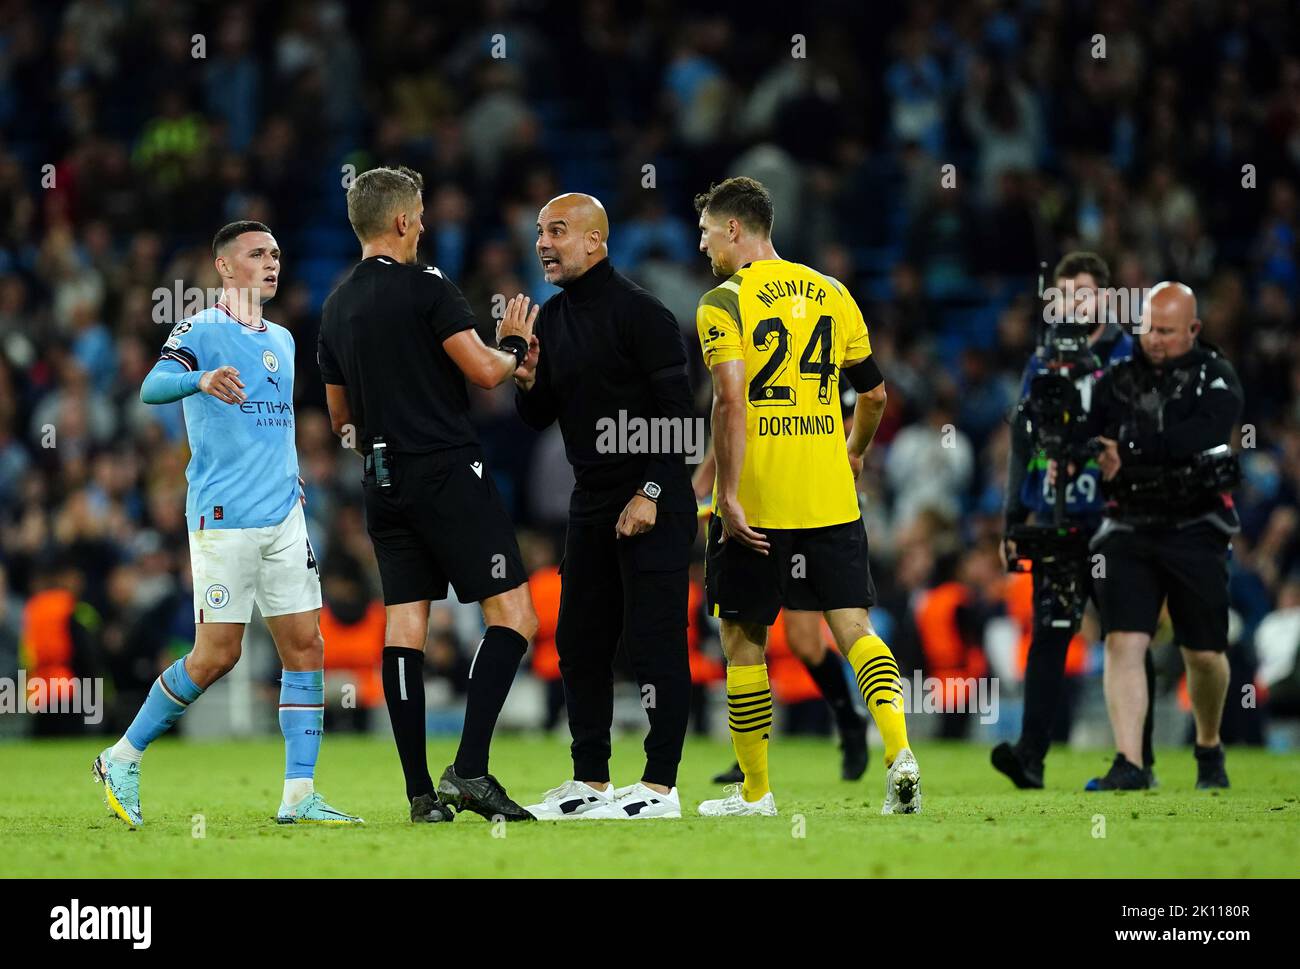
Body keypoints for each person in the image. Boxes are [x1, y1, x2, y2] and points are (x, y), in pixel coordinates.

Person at [93, 221, 363, 827]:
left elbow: (278, 420)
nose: (271, 263)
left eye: (275, 253)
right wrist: (200, 378)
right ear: (224, 266)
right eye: (256, 254)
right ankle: (122, 755)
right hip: (223, 518)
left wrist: (292, 475)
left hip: (284, 517)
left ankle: (299, 796)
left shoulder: (286, 340)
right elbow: (150, 386)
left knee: (306, 647)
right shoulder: (200, 328)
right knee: (217, 655)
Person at [691, 175, 921, 816]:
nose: (704, 243)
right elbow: (875, 394)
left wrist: (726, 492)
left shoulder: (723, 301)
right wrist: (854, 451)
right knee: (854, 629)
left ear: (735, 228)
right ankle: (900, 752)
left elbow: (730, 400)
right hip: (830, 498)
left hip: (758, 504)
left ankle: (757, 793)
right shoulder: (832, 292)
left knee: (744, 638)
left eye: (708, 230)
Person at [318, 166, 540, 823]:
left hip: (381, 482)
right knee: (515, 617)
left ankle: (420, 794)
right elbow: (484, 373)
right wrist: (515, 345)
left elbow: (340, 421)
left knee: (405, 626)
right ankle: (469, 767)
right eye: (420, 214)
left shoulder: (335, 306)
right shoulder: (427, 287)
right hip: (446, 470)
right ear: (403, 221)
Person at [515, 193, 696, 820]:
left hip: (654, 496)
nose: (543, 242)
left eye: (557, 231)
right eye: (540, 231)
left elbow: (680, 418)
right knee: (579, 641)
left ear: (596, 240)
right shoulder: (551, 320)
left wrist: (649, 492)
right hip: (590, 501)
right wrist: (527, 375)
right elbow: (539, 418)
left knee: (654, 642)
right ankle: (590, 781)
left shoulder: (644, 314)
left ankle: (661, 786)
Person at [991, 251, 1159, 789]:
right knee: (1050, 632)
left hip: (1117, 519)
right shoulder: (1043, 358)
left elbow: (1150, 430)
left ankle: (1139, 758)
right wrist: (1012, 518)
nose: (1071, 304)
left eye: (1082, 293)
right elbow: (1022, 440)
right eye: (1063, 295)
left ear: (1105, 298)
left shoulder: (1129, 355)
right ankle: (1031, 757)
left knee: (1125, 637)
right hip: (1056, 517)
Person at [1083, 281, 1243, 790]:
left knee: (1204, 653)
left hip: (1196, 525)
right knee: (1124, 641)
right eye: (1149, 327)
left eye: (1168, 331)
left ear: (1193, 329)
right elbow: (1092, 432)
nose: (1155, 339)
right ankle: (1132, 762)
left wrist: (1127, 448)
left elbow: (1202, 435)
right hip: (1128, 524)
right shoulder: (1116, 378)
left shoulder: (1216, 377)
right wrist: (1097, 450)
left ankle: (1208, 744)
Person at [693, 444, 871, 784]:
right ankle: (749, 758)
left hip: (811, 516)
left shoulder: (836, 391)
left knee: (802, 642)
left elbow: (849, 437)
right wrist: (698, 489)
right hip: (763, 511)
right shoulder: (742, 393)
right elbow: (731, 432)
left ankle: (849, 717)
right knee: (750, 632)